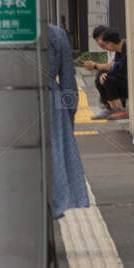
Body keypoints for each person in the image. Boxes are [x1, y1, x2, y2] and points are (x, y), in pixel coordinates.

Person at [47, 21, 89, 218]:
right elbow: (68, 80)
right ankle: (58, 202)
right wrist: (70, 113)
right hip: (52, 101)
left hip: (14, 101)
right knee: (56, 153)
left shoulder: (6, 32)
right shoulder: (56, 34)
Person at [82, 27, 128, 118]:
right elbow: (113, 67)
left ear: (110, 43)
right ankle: (109, 108)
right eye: (97, 40)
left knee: (106, 78)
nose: (100, 43)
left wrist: (105, 73)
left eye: (102, 40)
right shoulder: (118, 52)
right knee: (101, 75)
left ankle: (120, 110)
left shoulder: (125, 50)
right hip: (122, 80)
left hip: (129, 83)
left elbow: (120, 70)